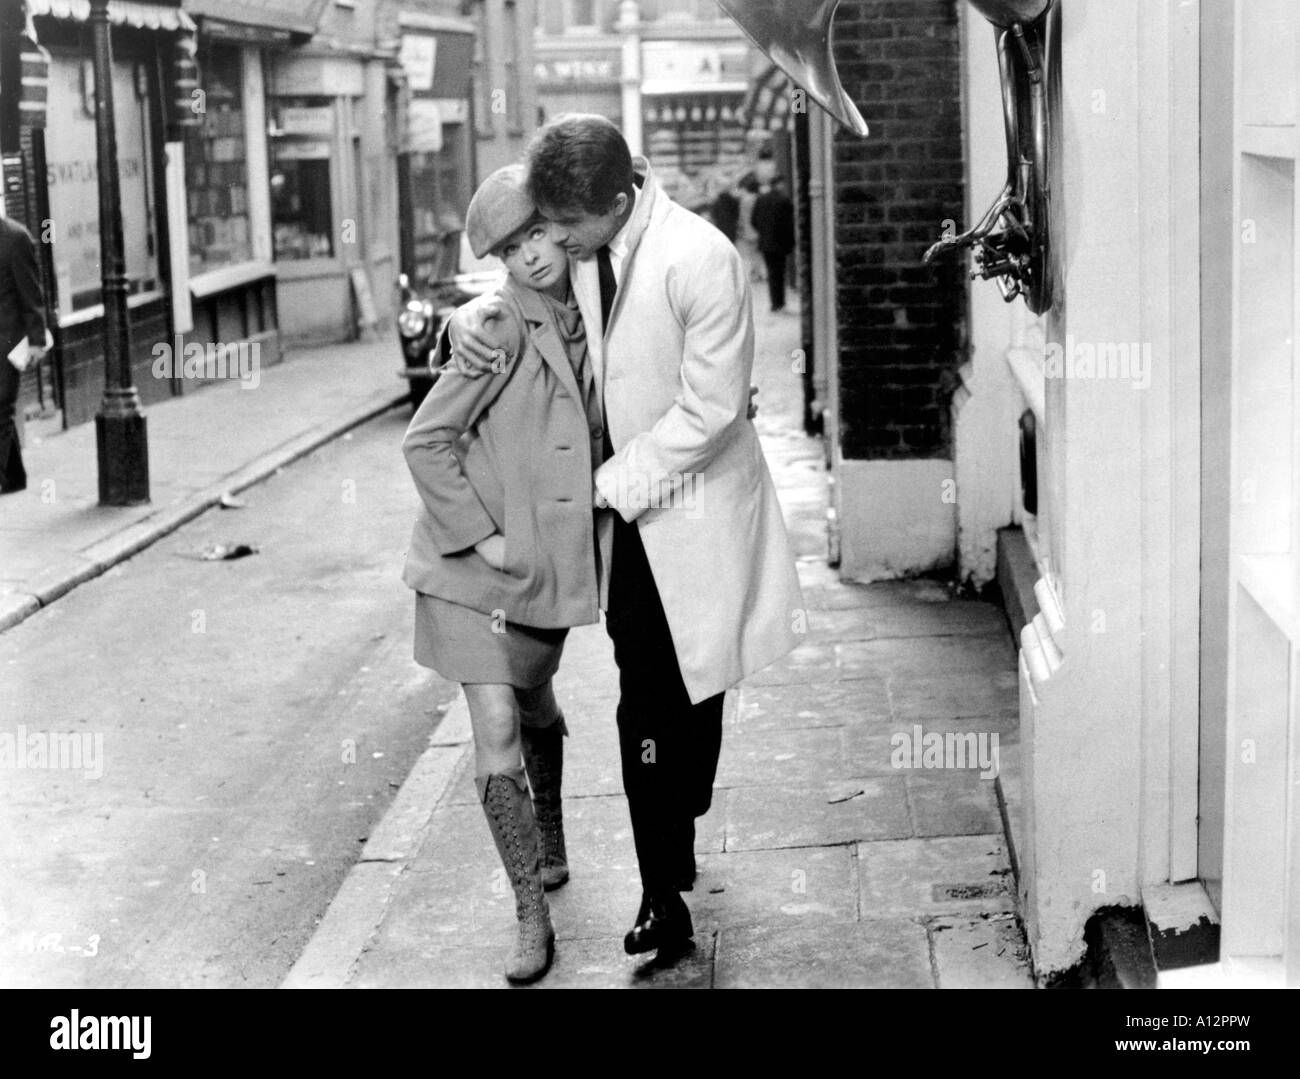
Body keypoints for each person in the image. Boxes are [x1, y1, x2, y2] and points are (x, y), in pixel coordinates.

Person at [448, 115, 804, 966]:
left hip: (698, 506)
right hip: (628, 530)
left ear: (616, 201)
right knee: (642, 697)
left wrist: (606, 483)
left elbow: (713, 410)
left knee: (700, 690)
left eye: (566, 228)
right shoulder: (582, 246)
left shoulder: (701, 258)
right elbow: (519, 299)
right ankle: (659, 894)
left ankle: (679, 818)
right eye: (548, 230)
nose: (555, 244)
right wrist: (469, 317)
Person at [401, 163, 605, 984]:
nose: (529, 257)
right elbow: (425, 440)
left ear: (564, 226)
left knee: (534, 698)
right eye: (508, 248)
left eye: (537, 234)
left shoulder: (595, 304)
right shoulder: (499, 327)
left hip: (542, 571)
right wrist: (483, 536)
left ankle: (549, 831)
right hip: (470, 568)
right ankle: (529, 913)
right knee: (493, 729)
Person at [0, 212, 50, 494]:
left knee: (1, 407)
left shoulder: (15, 238)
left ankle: (9, 478)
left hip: (7, 342)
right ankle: (13, 477)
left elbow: (32, 295)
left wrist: (36, 341)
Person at [751, 178, 796, 312]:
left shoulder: (761, 199)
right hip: (781, 243)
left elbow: (753, 220)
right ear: (779, 185)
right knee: (780, 273)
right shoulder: (784, 200)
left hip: (766, 243)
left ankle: (774, 303)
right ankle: (780, 302)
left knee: (772, 272)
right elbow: (789, 224)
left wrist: (763, 233)